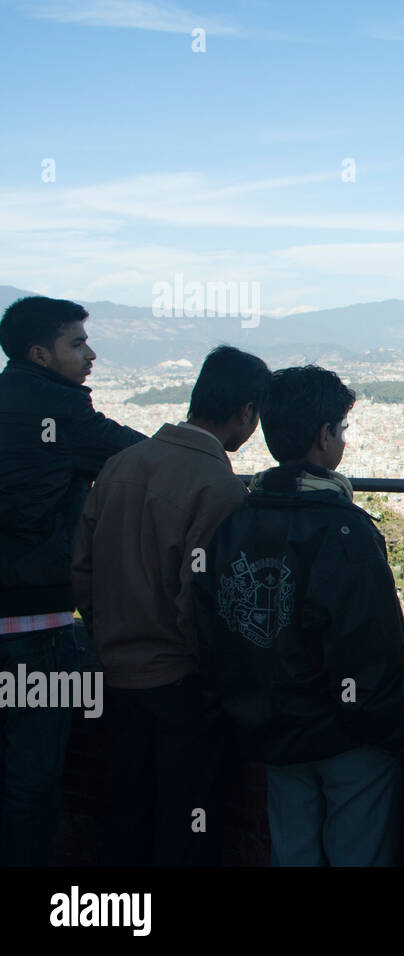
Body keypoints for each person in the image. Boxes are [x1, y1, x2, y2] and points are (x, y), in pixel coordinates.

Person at [193, 365, 404, 866]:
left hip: (271, 728)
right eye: (341, 428)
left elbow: (216, 626)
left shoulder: (235, 523)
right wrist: (386, 722)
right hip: (347, 734)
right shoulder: (343, 528)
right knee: (358, 850)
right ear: (324, 436)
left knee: (291, 852)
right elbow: (369, 640)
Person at [71, 345, 270, 865]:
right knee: (186, 822)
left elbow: (83, 570)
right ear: (246, 413)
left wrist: (105, 636)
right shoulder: (218, 487)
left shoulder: (119, 466)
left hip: (115, 675)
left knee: (126, 811)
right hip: (180, 683)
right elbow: (200, 602)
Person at [0, 295, 146, 865]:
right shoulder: (63, 412)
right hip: (39, 628)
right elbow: (138, 456)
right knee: (32, 780)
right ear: (41, 353)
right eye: (78, 343)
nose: (91, 355)